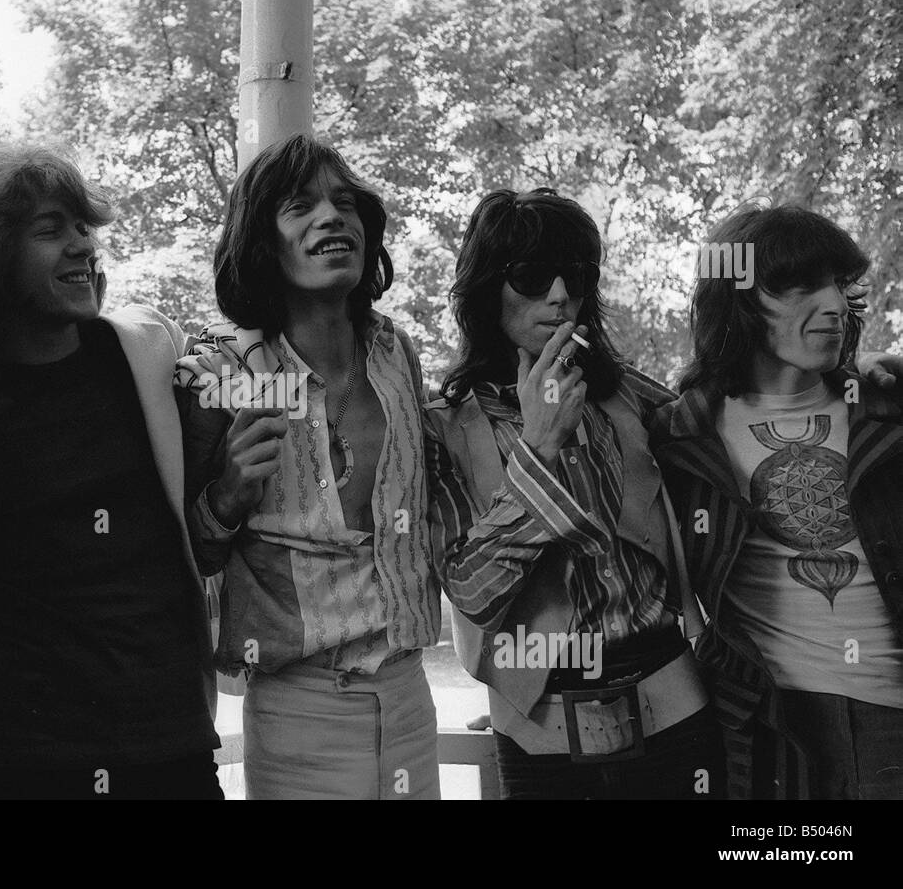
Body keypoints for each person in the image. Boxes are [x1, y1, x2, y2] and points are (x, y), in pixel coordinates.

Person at [0, 146, 222, 800]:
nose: (82, 245)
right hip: (23, 756)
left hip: (173, 742)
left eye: (83, 227)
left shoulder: (144, 348)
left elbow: (203, 523)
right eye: (51, 230)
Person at [424, 188, 724, 799]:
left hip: (674, 706)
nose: (560, 294)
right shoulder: (444, 427)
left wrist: (862, 380)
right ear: (486, 289)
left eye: (577, 275)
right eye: (532, 276)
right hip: (538, 730)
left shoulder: (626, 395)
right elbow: (471, 592)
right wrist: (537, 449)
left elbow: (741, 421)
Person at [175, 134, 440, 800]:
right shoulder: (221, 374)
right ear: (262, 242)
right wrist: (229, 493)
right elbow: (192, 557)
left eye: (345, 203)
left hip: (409, 698)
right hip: (296, 714)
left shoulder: (397, 354)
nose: (332, 217)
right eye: (301, 207)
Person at [650, 204, 903, 799]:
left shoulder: (886, 410)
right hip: (762, 725)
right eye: (799, 286)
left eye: (838, 284)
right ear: (737, 298)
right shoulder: (680, 435)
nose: (834, 304)